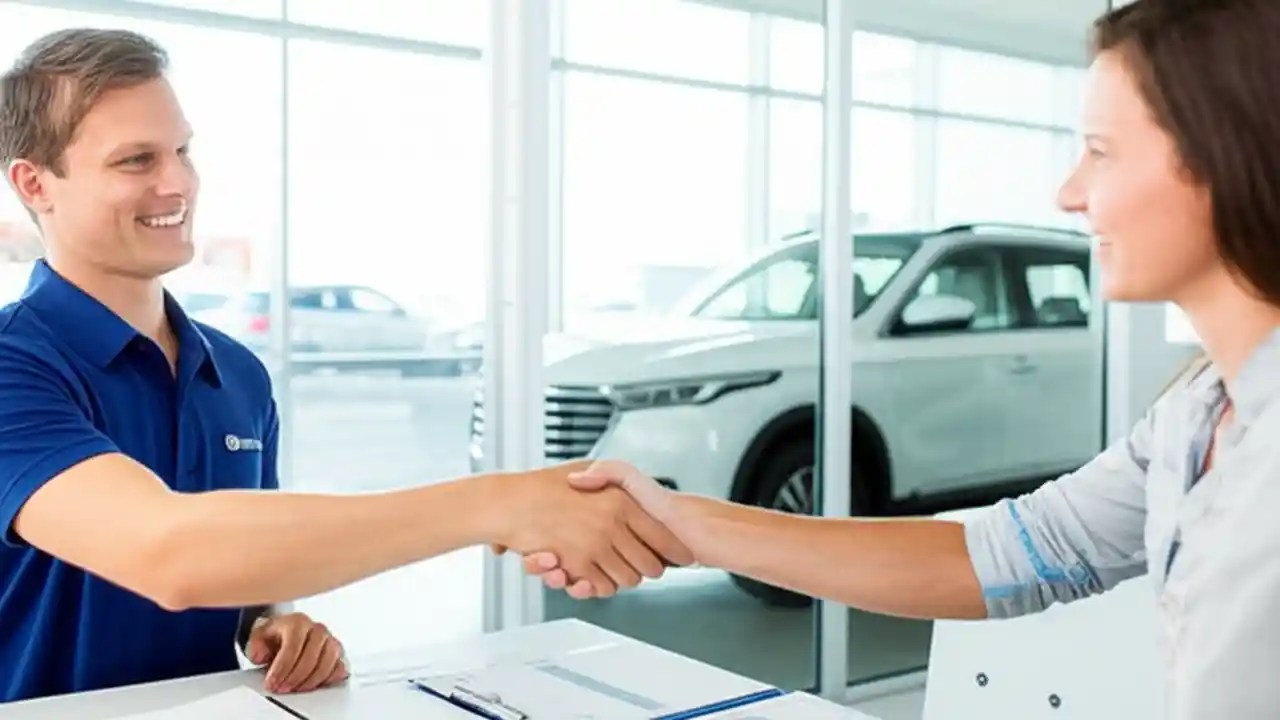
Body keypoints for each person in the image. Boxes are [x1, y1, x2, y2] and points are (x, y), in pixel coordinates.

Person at [524, 0, 1280, 716]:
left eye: (1100, 151)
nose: (1069, 193)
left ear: (1226, 152)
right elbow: (1006, 555)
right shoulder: (1197, 417)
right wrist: (676, 523)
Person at [0, 28, 690, 704]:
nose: (178, 181)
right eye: (136, 161)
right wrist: (499, 504)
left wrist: (273, 622)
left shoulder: (237, 374)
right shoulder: (12, 366)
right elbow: (170, 553)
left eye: (182, 150)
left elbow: (241, 581)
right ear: (35, 184)